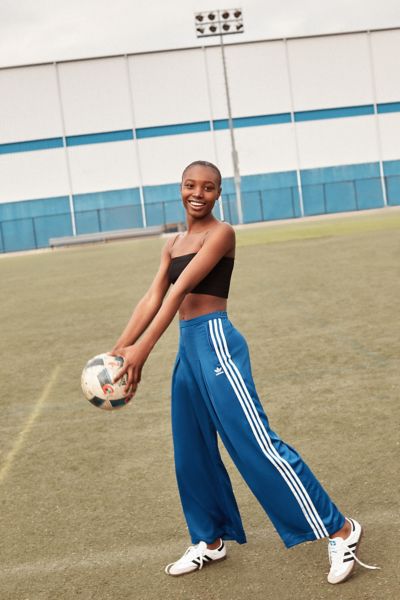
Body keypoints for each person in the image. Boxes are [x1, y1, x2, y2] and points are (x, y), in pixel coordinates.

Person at [111, 160, 378, 584]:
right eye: (190, 185)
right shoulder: (173, 243)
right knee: (191, 451)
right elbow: (153, 295)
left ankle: (342, 530)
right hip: (188, 349)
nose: (197, 193)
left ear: (219, 193)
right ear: (179, 188)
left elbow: (182, 289)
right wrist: (119, 349)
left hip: (217, 343)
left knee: (256, 445)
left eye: (208, 187)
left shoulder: (222, 234)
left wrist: (142, 350)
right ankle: (209, 540)